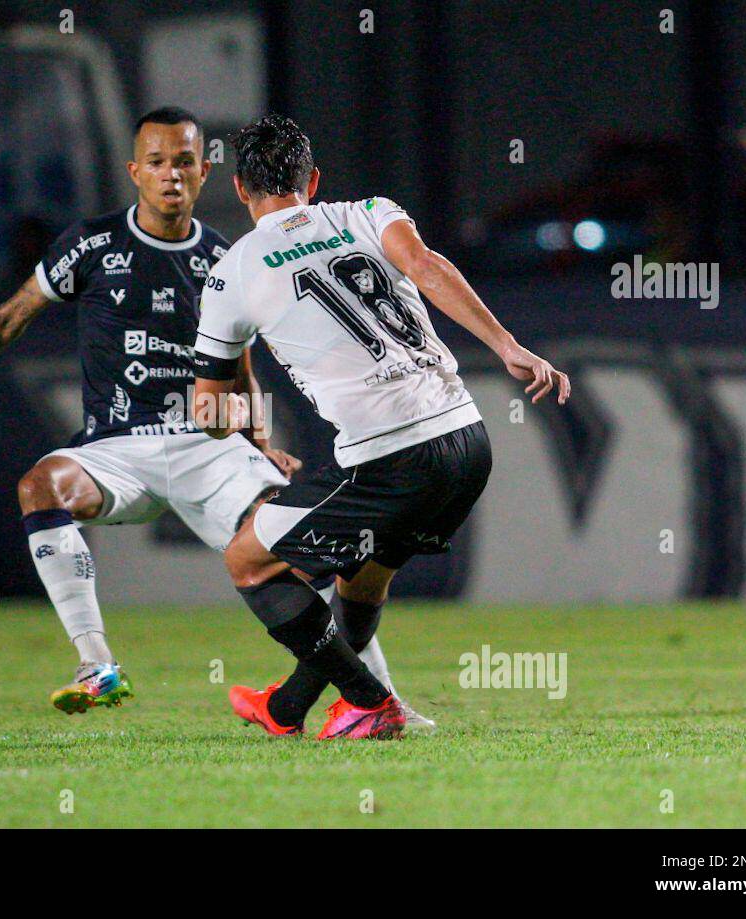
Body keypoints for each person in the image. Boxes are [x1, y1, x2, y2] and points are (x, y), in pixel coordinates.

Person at [0, 107, 426, 720]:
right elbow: (8, 319)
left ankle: (379, 698)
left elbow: (241, 364)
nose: (171, 176)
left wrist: (260, 439)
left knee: (303, 553)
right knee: (39, 485)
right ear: (135, 171)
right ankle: (96, 663)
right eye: (157, 163)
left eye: (184, 163)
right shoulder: (92, 245)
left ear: (206, 172)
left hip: (209, 448)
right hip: (115, 449)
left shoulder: (225, 257)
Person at [191, 115, 571, 739]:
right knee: (362, 579)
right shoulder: (368, 211)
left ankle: (372, 702)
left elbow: (210, 410)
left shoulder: (230, 272)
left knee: (248, 561)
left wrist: (235, 430)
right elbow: (423, 267)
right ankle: (286, 708)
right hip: (467, 441)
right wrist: (507, 347)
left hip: (395, 455)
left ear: (238, 189)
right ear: (311, 180)